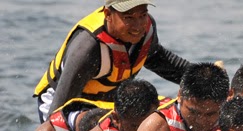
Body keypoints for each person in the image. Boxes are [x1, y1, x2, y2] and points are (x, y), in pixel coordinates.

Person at [34, 0, 190, 121]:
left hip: (108, 101)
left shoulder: (146, 28)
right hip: (66, 104)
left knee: (168, 113)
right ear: (108, 14)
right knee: (97, 126)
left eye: (142, 15)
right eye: (128, 17)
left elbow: (160, 61)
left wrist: (205, 78)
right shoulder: (88, 48)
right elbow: (58, 114)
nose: (138, 26)